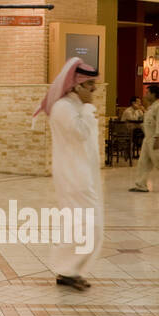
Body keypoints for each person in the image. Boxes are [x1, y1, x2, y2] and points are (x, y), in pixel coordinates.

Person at [34, 58, 103, 291]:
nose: (94, 89)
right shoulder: (64, 108)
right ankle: (67, 270)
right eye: (90, 84)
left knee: (86, 224)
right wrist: (87, 108)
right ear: (76, 85)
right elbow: (80, 133)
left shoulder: (75, 106)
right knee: (85, 224)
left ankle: (70, 271)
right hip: (73, 175)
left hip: (84, 173)